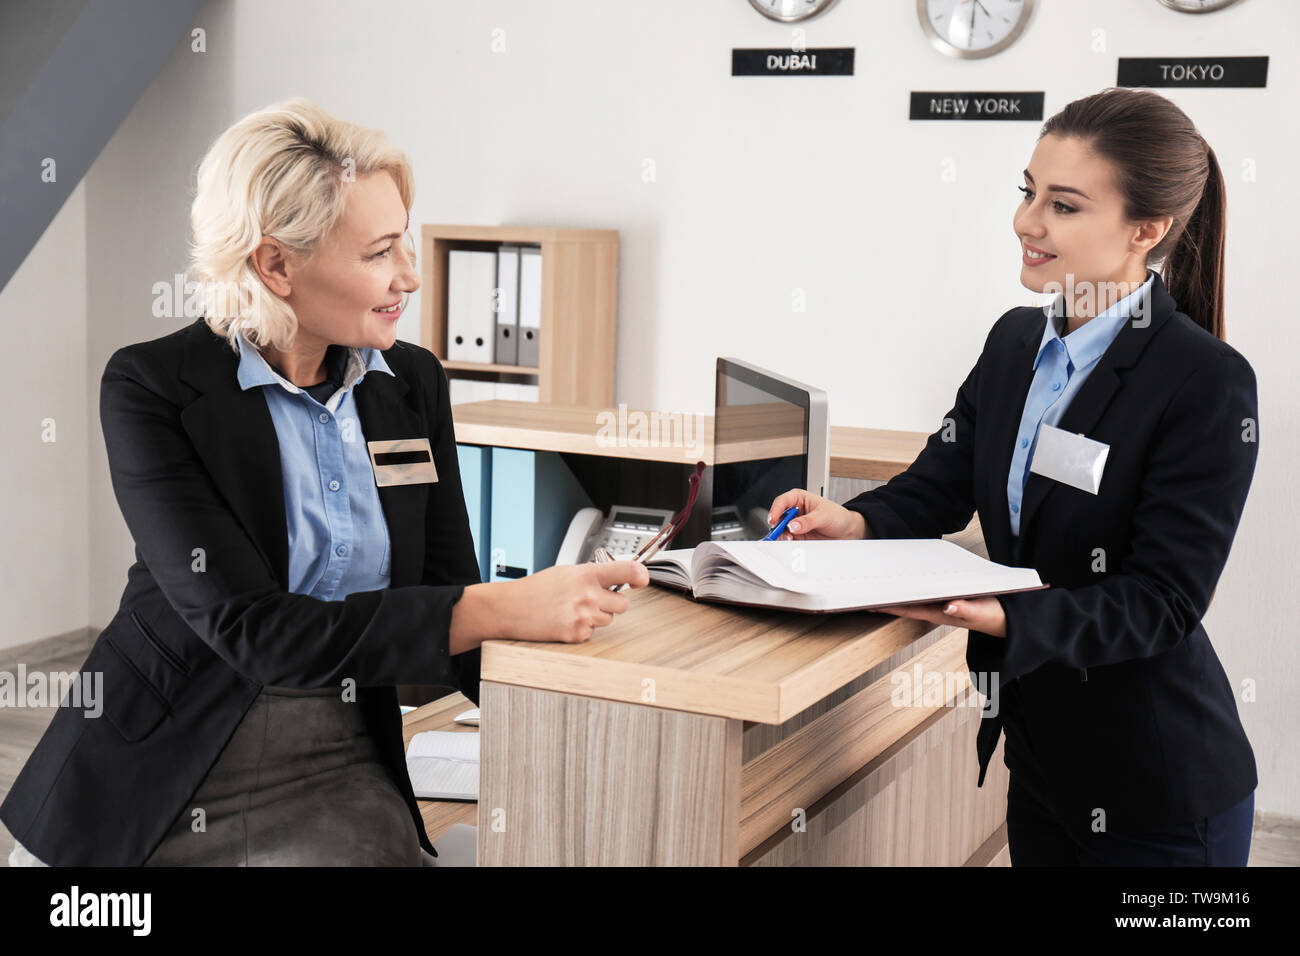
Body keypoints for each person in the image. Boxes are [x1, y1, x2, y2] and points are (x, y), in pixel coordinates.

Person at [2, 98, 648, 867]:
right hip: (159, 769)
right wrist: (500, 605)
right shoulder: (153, 388)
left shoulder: (411, 383)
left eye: (403, 242)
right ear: (276, 265)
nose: (409, 274)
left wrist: (588, 707)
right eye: (379, 253)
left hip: (341, 760)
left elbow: (448, 592)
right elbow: (254, 629)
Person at [765, 87, 1258, 866]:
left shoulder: (1205, 381)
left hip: (1157, 788)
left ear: (1147, 229)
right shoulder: (1013, 342)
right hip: (1044, 763)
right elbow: (943, 479)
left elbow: (1164, 601)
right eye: (1028, 192)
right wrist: (855, 520)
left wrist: (1004, 615)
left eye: (1064, 205)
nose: (1028, 222)